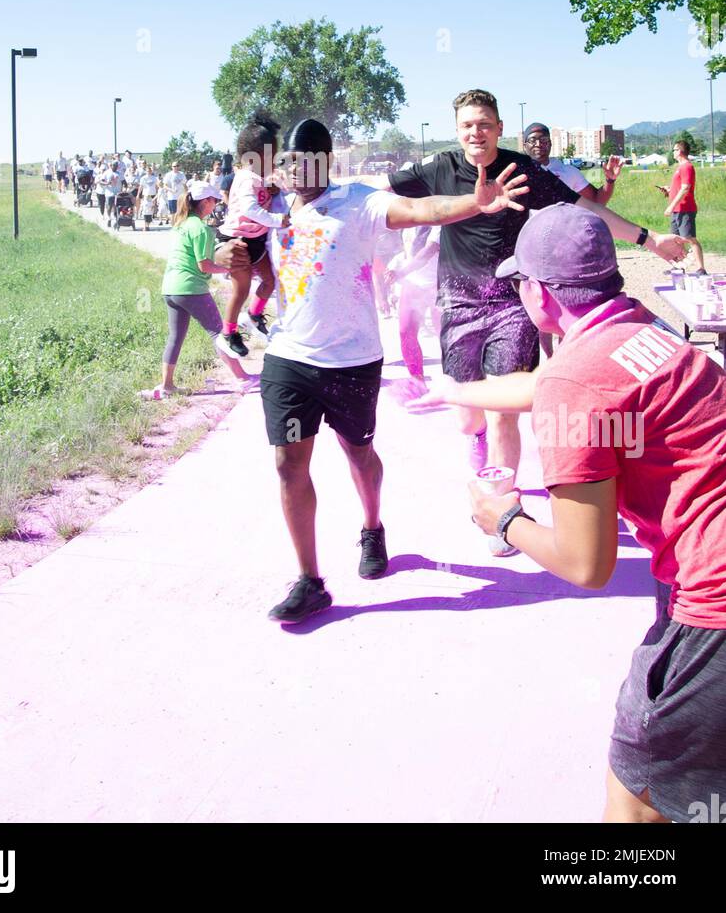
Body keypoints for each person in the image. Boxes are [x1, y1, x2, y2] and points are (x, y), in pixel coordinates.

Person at [438, 202, 726, 825]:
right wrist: (456, 392)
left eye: (520, 283)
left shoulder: (578, 383)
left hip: (712, 608)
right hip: (706, 580)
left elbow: (586, 563)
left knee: (637, 799)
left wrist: (504, 519)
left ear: (539, 293)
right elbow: (554, 382)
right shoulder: (639, 326)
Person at [261, 117, 531, 624]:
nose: (299, 171)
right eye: (291, 163)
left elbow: (419, 208)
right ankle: (310, 580)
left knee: (358, 454)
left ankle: (372, 526)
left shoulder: (358, 202)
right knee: (287, 463)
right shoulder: (276, 211)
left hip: (351, 360)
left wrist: (475, 203)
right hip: (288, 358)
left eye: (309, 161)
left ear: (326, 163)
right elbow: (256, 260)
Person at [387, 89, 684, 481]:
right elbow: (380, 195)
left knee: (502, 412)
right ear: (457, 130)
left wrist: (650, 239)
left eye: (485, 125)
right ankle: (475, 437)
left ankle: (502, 504)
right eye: (468, 126)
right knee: (468, 417)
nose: (476, 133)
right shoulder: (439, 167)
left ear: (500, 128)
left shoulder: (522, 169)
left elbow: (586, 208)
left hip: (513, 302)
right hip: (458, 304)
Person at [140, 181, 258, 400]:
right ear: (205, 202)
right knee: (218, 332)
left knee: (175, 337)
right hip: (191, 288)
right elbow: (204, 265)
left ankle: (166, 386)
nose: (215, 205)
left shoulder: (181, 224)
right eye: (214, 201)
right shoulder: (202, 228)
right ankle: (242, 378)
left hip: (171, 288)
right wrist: (229, 268)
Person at [214, 111, 290, 358]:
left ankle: (255, 316)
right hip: (238, 241)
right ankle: (228, 332)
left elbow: (269, 195)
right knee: (241, 289)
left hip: (255, 240)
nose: (275, 160)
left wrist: (274, 190)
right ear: (258, 156)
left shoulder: (259, 177)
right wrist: (278, 221)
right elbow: (250, 208)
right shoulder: (246, 179)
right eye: (272, 155)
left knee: (270, 281)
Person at [386, 224, 442, 397]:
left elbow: (429, 250)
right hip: (413, 283)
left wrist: (401, 272)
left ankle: (457, 382)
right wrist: (394, 267)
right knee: (405, 332)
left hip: (439, 283)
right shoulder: (410, 223)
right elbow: (408, 251)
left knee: (446, 337)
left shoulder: (439, 221)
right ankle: (417, 383)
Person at [522, 122, 623, 205]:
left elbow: (597, 200)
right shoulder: (517, 174)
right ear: (525, 146)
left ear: (550, 144)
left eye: (543, 140)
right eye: (532, 140)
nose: (538, 144)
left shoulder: (568, 172)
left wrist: (610, 180)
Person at [657, 140, 704, 273]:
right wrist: (669, 190)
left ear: (680, 151)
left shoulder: (686, 167)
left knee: (690, 239)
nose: (673, 152)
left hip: (685, 209)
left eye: (674, 150)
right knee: (676, 240)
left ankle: (701, 268)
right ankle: (679, 267)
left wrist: (671, 206)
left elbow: (685, 188)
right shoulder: (679, 167)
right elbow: (679, 188)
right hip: (677, 210)